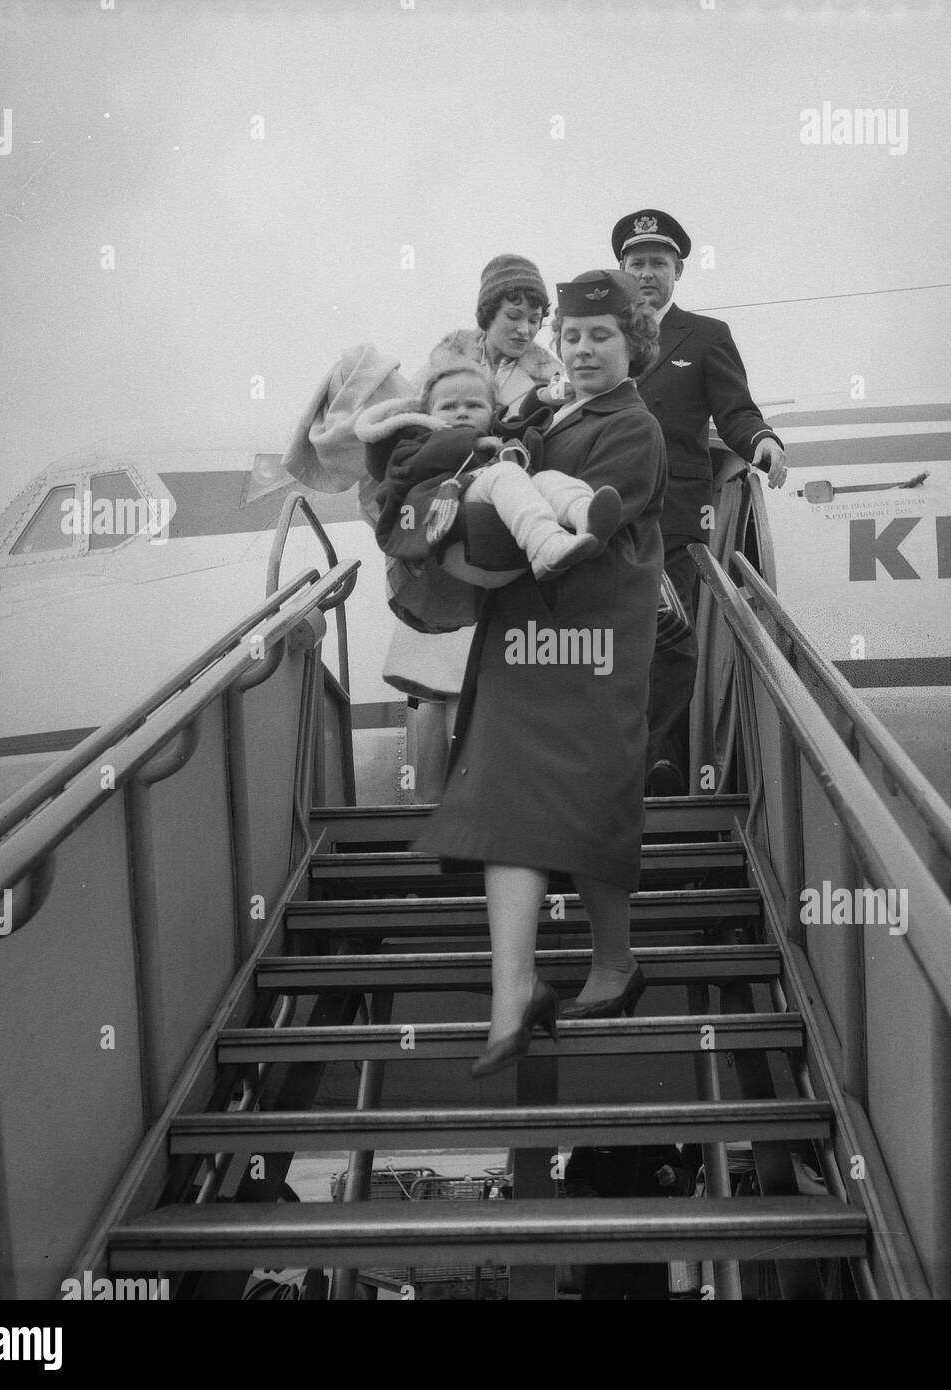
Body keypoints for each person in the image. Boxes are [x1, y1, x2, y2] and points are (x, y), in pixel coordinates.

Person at [414, 269, 666, 1076]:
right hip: (526, 648)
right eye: (574, 337)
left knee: (587, 802)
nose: (584, 349)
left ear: (633, 346)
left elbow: (591, 521)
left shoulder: (635, 428)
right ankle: (512, 989)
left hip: (585, 651)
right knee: (504, 807)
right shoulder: (546, 416)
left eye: (603, 336)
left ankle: (614, 963)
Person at [611, 209, 788, 797]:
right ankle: (616, 766)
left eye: (658, 263)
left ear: (678, 270)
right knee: (608, 639)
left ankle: (661, 764)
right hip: (603, 515)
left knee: (670, 634)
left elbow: (734, 409)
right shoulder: (598, 335)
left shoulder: (706, 336)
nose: (647, 273)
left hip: (674, 517)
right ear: (621, 270)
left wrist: (760, 440)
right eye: (636, 263)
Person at [382, 255, 562, 799]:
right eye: (514, 314)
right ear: (488, 311)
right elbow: (403, 438)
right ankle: (422, 805)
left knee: (472, 684)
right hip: (430, 543)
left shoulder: (548, 374)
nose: (525, 329)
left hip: (489, 549)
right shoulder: (444, 362)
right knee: (425, 690)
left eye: (534, 318)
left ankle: (467, 808)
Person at [355, 359, 622, 582]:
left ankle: (586, 517)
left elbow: (521, 425)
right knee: (504, 474)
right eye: (448, 407)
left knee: (546, 479)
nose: (461, 413)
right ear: (428, 413)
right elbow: (412, 465)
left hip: (490, 521)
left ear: (492, 411)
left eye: (474, 406)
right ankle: (545, 546)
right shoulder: (416, 441)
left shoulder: (497, 435)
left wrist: (543, 399)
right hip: (446, 516)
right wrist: (472, 442)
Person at [563, 1144, 691, 1300]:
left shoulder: (654, 1130)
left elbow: (686, 1179)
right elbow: (574, 1179)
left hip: (646, 1242)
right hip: (607, 1240)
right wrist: (599, 1207)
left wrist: (675, 1177)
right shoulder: (596, 1130)